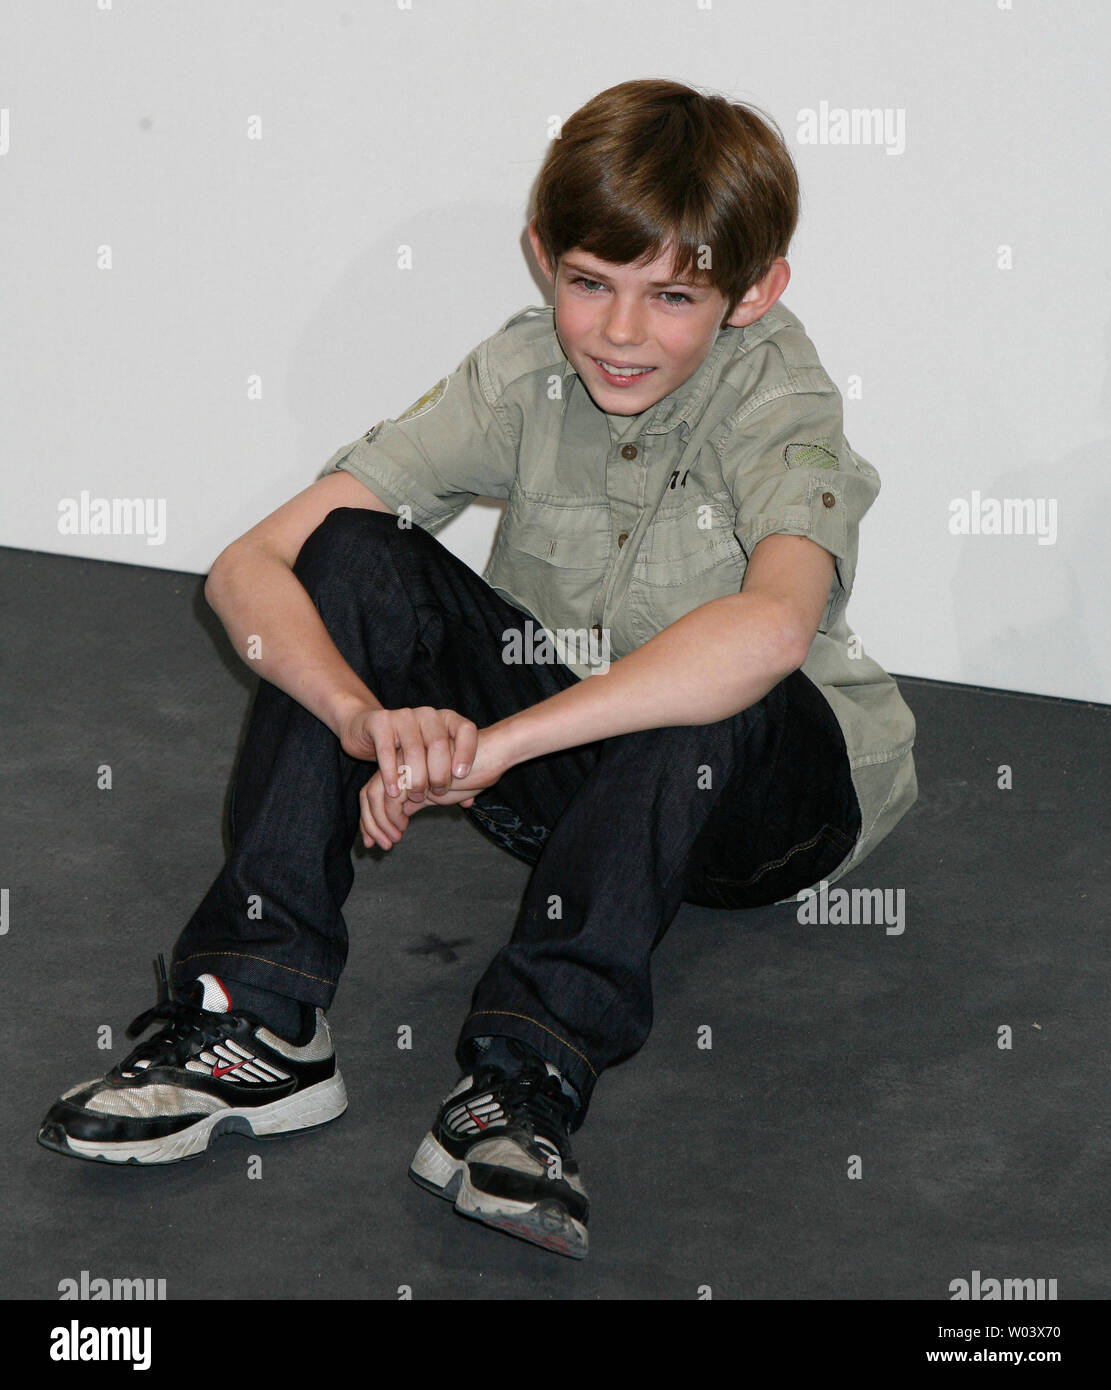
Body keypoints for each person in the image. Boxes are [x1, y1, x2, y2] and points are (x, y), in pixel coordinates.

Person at [38, 78, 917, 1261]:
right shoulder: (520, 373)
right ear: (541, 254)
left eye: (672, 297)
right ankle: (254, 1017)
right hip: (580, 765)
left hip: (768, 801)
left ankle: (524, 1079)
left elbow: (765, 635)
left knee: (702, 685)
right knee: (349, 553)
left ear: (753, 293)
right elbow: (248, 569)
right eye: (588, 283)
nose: (617, 331)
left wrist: (490, 746)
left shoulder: (780, 394)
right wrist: (358, 714)